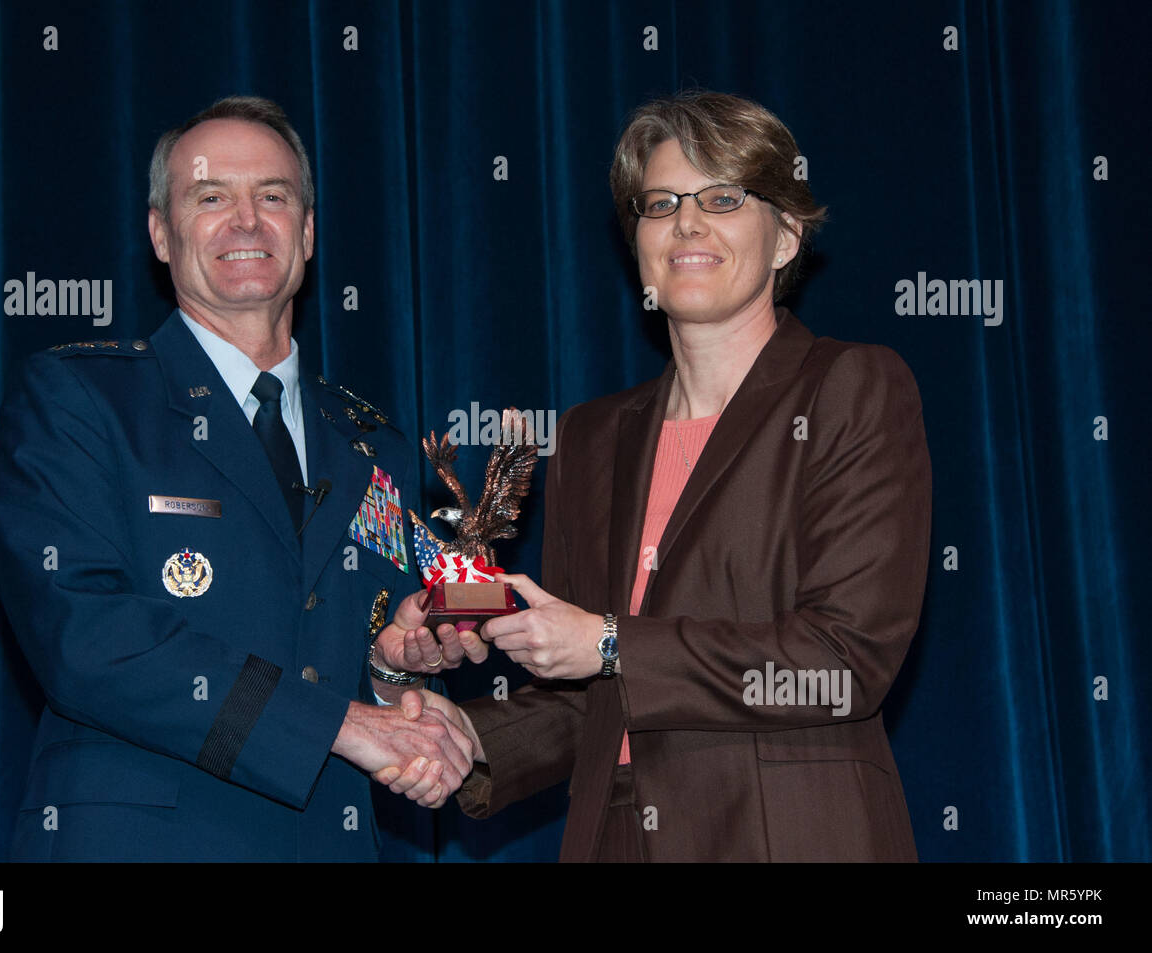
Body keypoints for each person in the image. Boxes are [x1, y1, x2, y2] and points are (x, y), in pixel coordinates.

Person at [381, 90, 933, 861]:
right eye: (661, 202)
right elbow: (591, 701)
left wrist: (608, 643)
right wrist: (464, 735)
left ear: (786, 237)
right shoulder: (590, 436)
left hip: (788, 835)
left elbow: (841, 663)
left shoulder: (851, 386)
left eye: (724, 197)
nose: (687, 223)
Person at [0, 96, 483, 862]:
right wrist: (344, 724)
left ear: (308, 232)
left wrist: (393, 675)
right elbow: (85, 637)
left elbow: (369, 648)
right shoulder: (81, 399)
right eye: (211, 196)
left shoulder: (370, 444)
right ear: (161, 232)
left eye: (274, 197)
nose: (246, 221)